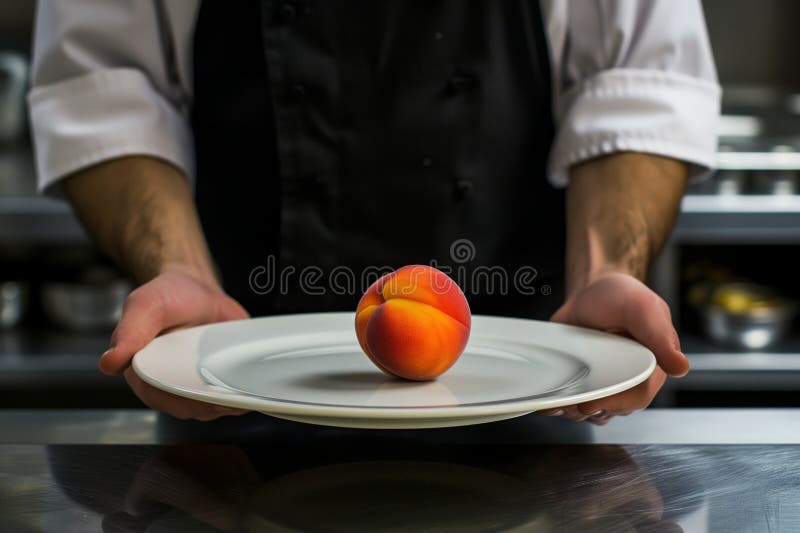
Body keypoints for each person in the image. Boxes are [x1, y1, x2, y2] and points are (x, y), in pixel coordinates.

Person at [28, 1, 720, 423]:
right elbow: (105, 94)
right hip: (229, 384)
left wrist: (606, 270)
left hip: (543, 386)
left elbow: (638, 89)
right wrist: (177, 268)